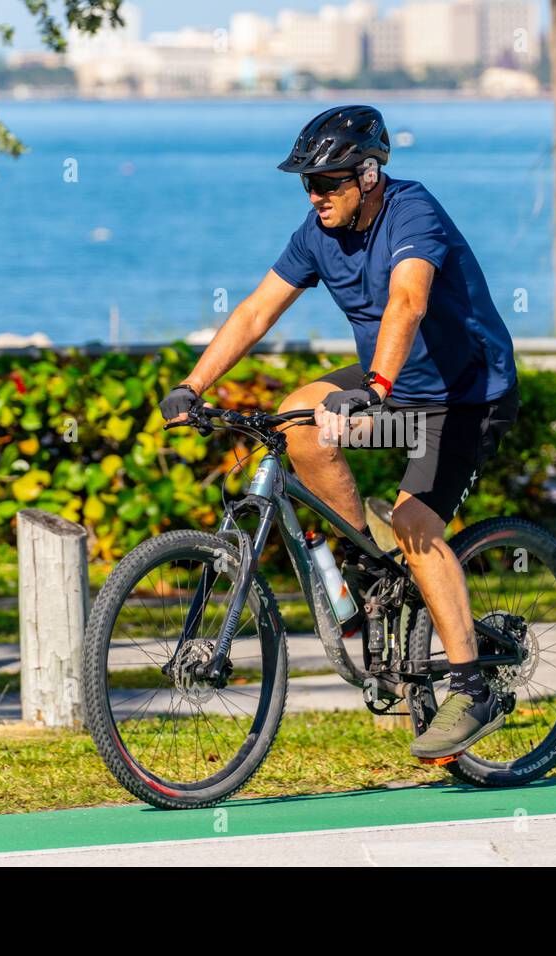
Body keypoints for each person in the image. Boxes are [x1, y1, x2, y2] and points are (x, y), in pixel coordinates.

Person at [159, 105, 520, 760]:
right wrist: (194, 384)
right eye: (308, 184)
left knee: (414, 524)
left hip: (465, 396)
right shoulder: (318, 232)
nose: (316, 196)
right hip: (393, 385)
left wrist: (374, 389)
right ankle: (365, 563)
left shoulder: (413, 213)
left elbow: (408, 302)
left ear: (369, 175)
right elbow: (257, 310)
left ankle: (473, 689)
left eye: (328, 183)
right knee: (298, 418)